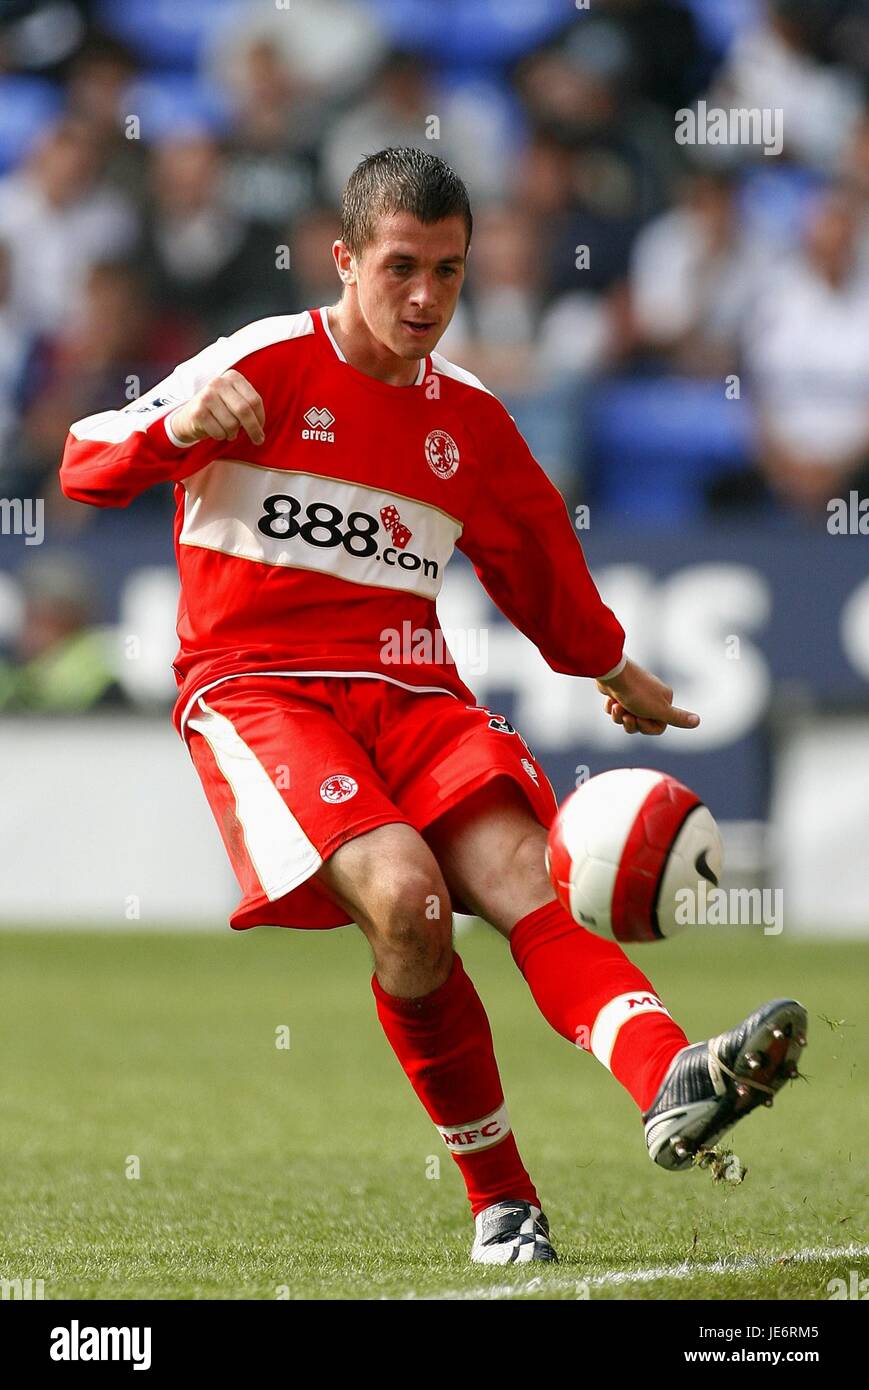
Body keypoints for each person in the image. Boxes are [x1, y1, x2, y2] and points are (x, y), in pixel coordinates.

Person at [59, 148, 807, 1265]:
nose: (424, 300)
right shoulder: (257, 362)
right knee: (407, 901)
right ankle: (501, 1198)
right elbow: (83, 463)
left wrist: (609, 664)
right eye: (400, 268)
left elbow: (535, 564)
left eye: (448, 273)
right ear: (345, 258)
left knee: (524, 875)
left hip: (412, 688)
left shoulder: (472, 422)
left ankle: (671, 1076)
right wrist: (174, 429)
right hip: (259, 689)